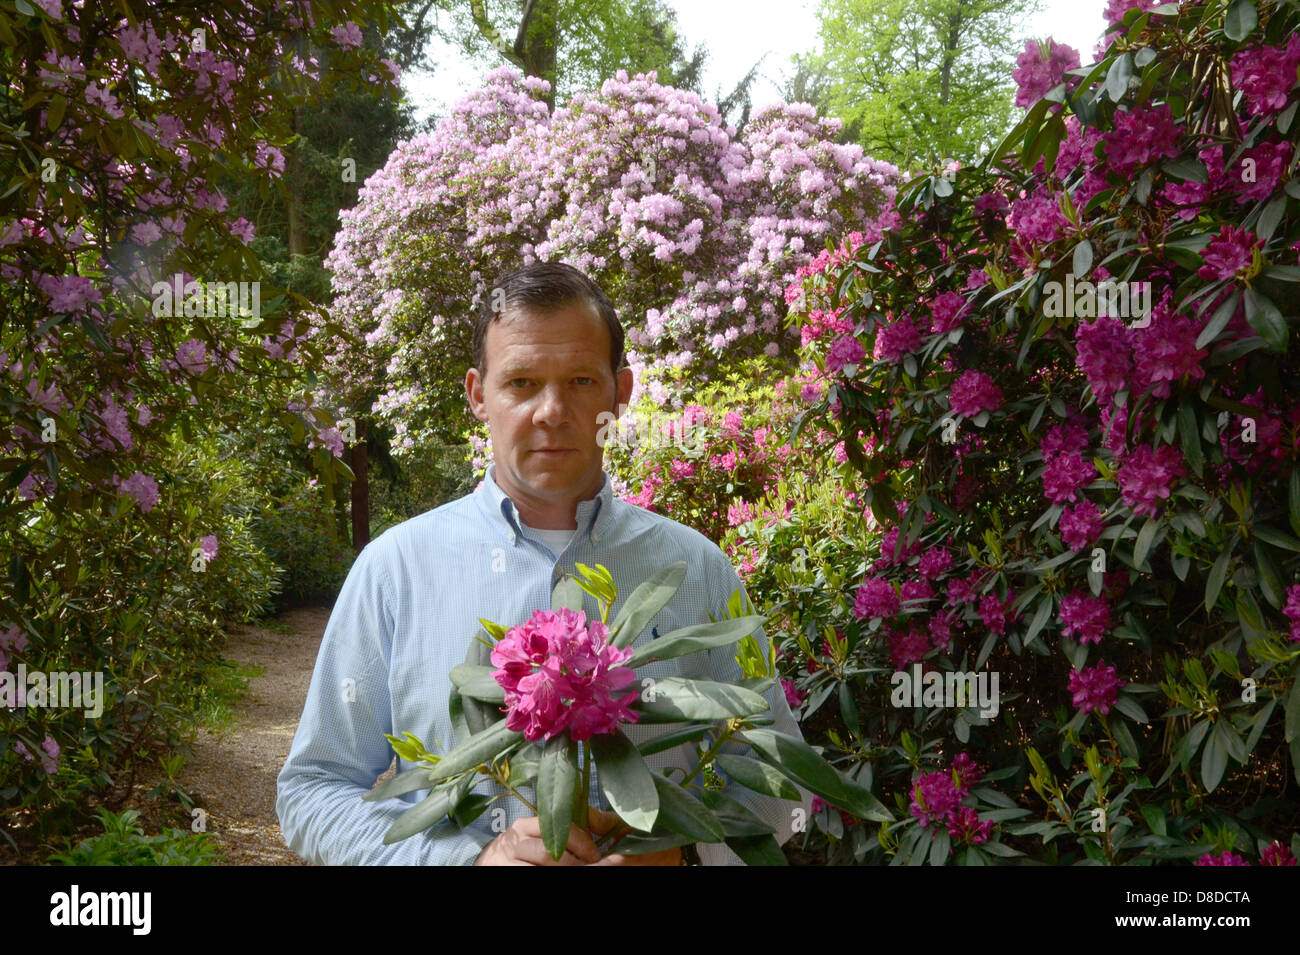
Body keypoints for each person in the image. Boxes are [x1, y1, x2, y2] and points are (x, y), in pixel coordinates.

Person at [276, 262, 805, 865]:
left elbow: (780, 778)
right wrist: (466, 863)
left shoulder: (694, 568)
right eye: (522, 382)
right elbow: (314, 789)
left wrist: (684, 855)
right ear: (479, 394)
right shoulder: (395, 571)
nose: (552, 411)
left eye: (581, 381)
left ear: (620, 392)